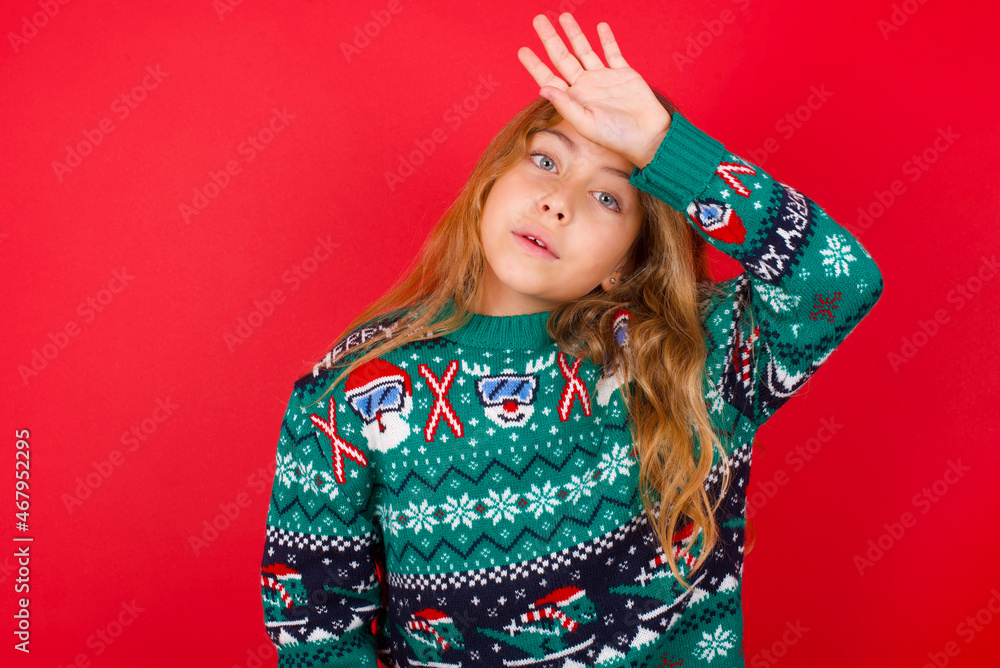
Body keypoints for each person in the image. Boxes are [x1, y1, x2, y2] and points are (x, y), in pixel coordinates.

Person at [259, 12, 883, 667]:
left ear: (626, 261)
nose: (559, 201)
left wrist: (665, 150)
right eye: (544, 159)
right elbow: (319, 636)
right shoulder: (351, 392)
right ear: (488, 188)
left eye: (608, 198)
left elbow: (837, 283)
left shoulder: (680, 354)